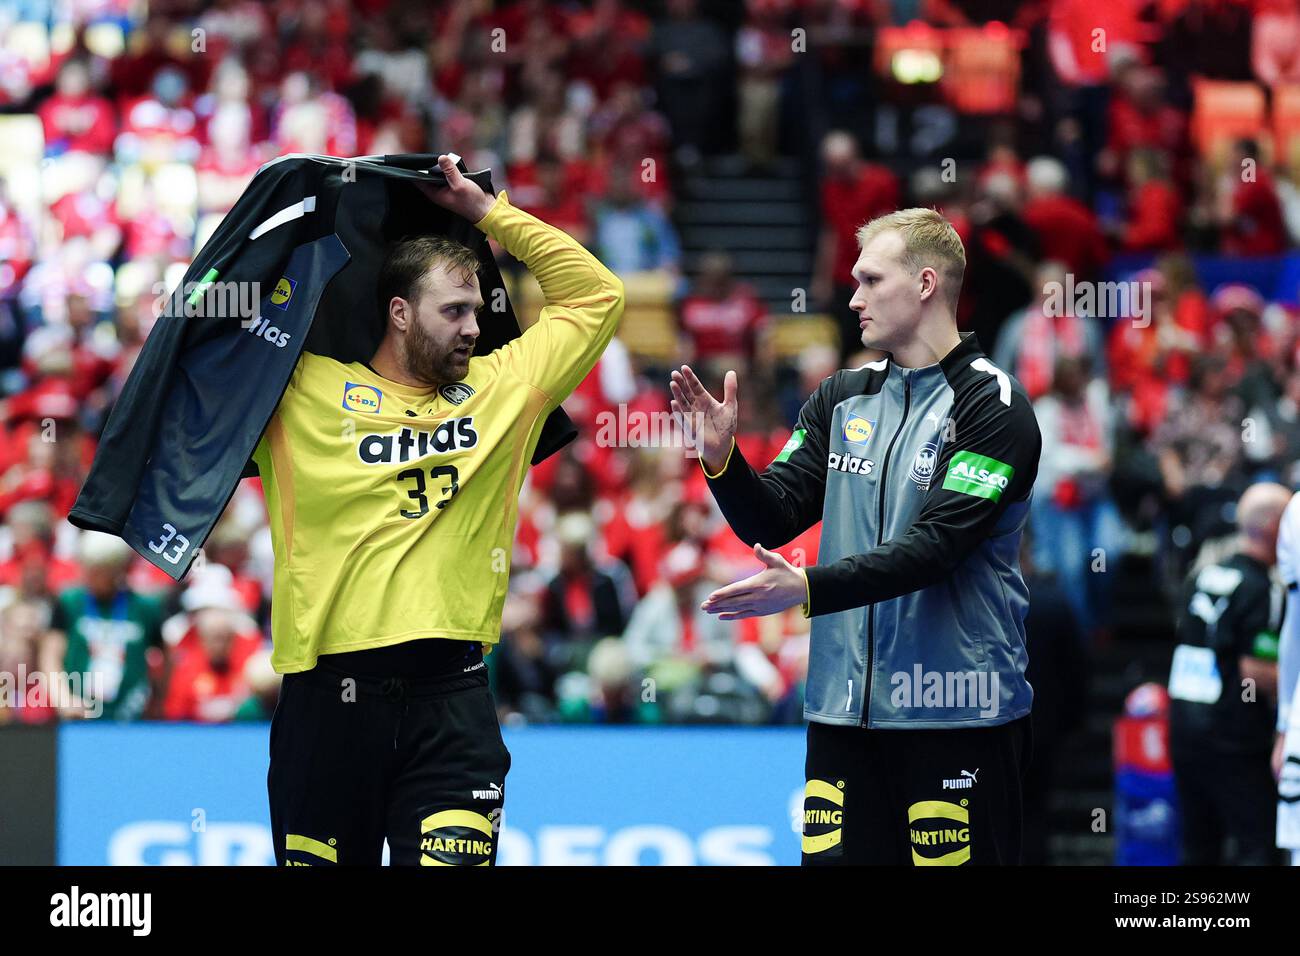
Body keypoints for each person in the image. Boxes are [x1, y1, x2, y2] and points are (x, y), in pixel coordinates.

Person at [256, 154, 624, 866]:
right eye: (451, 311)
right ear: (399, 312)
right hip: (328, 705)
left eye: (475, 310)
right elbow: (219, 330)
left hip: (452, 704)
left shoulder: (505, 387)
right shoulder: (300, 392)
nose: (470, 327)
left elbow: (598, 297)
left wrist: (488, 213)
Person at [670, 207, 1042, 865]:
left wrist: (809, 586)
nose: (853, 297)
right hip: (841, 718)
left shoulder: (994, 405)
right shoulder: (842, 397)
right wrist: (723, 459)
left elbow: (935, 549)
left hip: (956, 716)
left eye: (871, 280)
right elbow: (773, 515)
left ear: (926, 284)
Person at [1167, 481, 1291, 865]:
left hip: (1185, 731)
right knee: (1258, 846)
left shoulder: (1201, 575)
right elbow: (1253, 670)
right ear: (1274, 528)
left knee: (1199, 847)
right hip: (1235, 739)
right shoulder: (1263, 588)